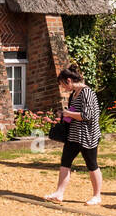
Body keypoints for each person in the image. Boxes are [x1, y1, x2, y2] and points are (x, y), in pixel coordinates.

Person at [43, 64, 103, 206]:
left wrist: (68, 113)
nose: (63, 88)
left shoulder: (87, 92)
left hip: (88, 135)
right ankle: (59, 193)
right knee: (65, 162)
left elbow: (88, 115)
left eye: (63, 84)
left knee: (92, 164)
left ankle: (97, 195)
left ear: (68, 81)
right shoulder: (73, 94)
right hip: (74, 135)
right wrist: (64, 115)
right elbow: (74, 113)